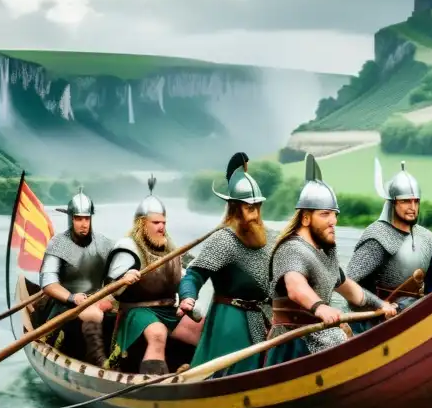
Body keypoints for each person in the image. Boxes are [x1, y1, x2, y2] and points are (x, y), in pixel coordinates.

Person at [263, 154, 397, 367]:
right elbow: (295, 287)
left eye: (334, 215)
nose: (333, 221)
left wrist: (382, 305)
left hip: (323, 341)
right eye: (325, 214)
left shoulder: (325, 254)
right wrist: (320, 308)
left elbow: (352, 291)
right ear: (306, 218)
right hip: (294, 345)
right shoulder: (292, 248)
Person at [178, 154, 275, 378]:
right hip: (231, 321)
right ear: (234, 208)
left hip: (264, 317)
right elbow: (194, 274)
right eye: (248, 207)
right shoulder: (223, 239)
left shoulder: (269, 236)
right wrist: (187, 296)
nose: (254, 212)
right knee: (230, 375)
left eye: (257, 206)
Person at [104, 175, 200, 375]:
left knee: (202, 328)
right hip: (137, 312)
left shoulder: (170, 247)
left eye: (163, 222)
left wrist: (186, 299)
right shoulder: (128, 247)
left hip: (169, 310)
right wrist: (124, 279)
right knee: (157, 333)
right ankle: (154, 386)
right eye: (156, 222)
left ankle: (198, 374)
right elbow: (110, 286)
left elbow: (183, 276)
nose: (161, 227)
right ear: (141, 223)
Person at [344, 158, 432, 335]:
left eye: (416, 201)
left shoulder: (426, 239)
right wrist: (379, 306)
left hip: (413, 317)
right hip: (374, 324)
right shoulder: (377, 236)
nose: (412, 207)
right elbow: (348, 283)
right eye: (406, 201)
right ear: (393, 203)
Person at [39, 189, 119, 367]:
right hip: (65, 305)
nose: (83, 224)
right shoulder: (59, 243)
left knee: (127, 314)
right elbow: (49, 283)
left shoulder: (104, 243)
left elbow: (117, 275)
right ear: (70, 218)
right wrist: (71, 297)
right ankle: (100, 364)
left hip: (97, 301)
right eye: (78, 219)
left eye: (87, 218)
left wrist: (109, 297)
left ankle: (122, 359)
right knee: (91, 316)